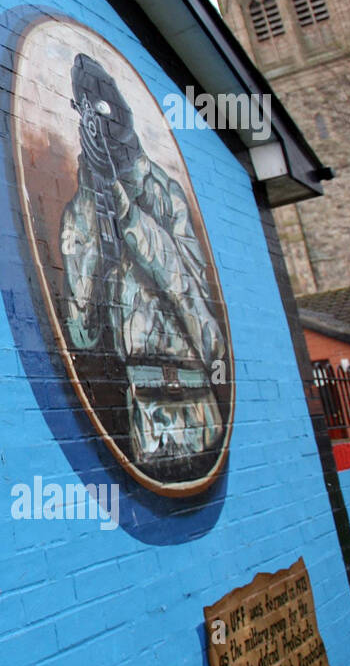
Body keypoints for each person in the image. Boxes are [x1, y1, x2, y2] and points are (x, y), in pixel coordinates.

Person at [59, 53, 226, 464]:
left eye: (105, 106)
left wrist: (124, 207)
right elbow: (82, 333)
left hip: (197, 394)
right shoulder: (78, 214)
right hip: (144, 408)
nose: (101, 122)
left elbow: (187, 289)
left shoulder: (163, 193)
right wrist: (95, 208)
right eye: (87, 112)